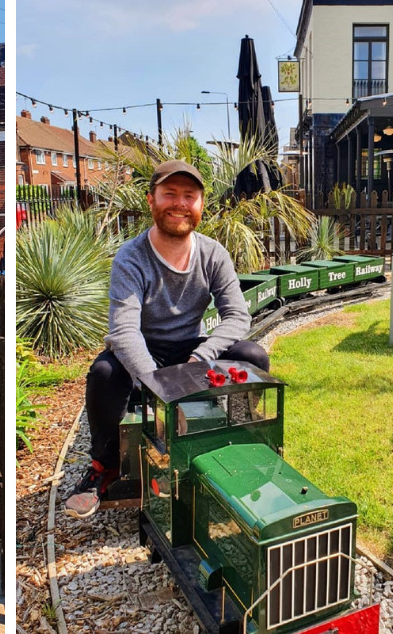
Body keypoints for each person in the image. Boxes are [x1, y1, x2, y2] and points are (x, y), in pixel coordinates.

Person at [64, 159, 270, 519]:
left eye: (189, 196)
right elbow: (124, 330)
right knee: (104, 374)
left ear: (201, 204)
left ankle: (243, 444)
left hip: (191, 349)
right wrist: (160, 386)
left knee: (253, 356)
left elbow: (237, 315)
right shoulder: (131, 257)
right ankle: (104, 465)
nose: (180, 204)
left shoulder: (213, 254)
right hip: (143, 350)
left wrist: (200, 358)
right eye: (169, 194)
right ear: (151, 200)